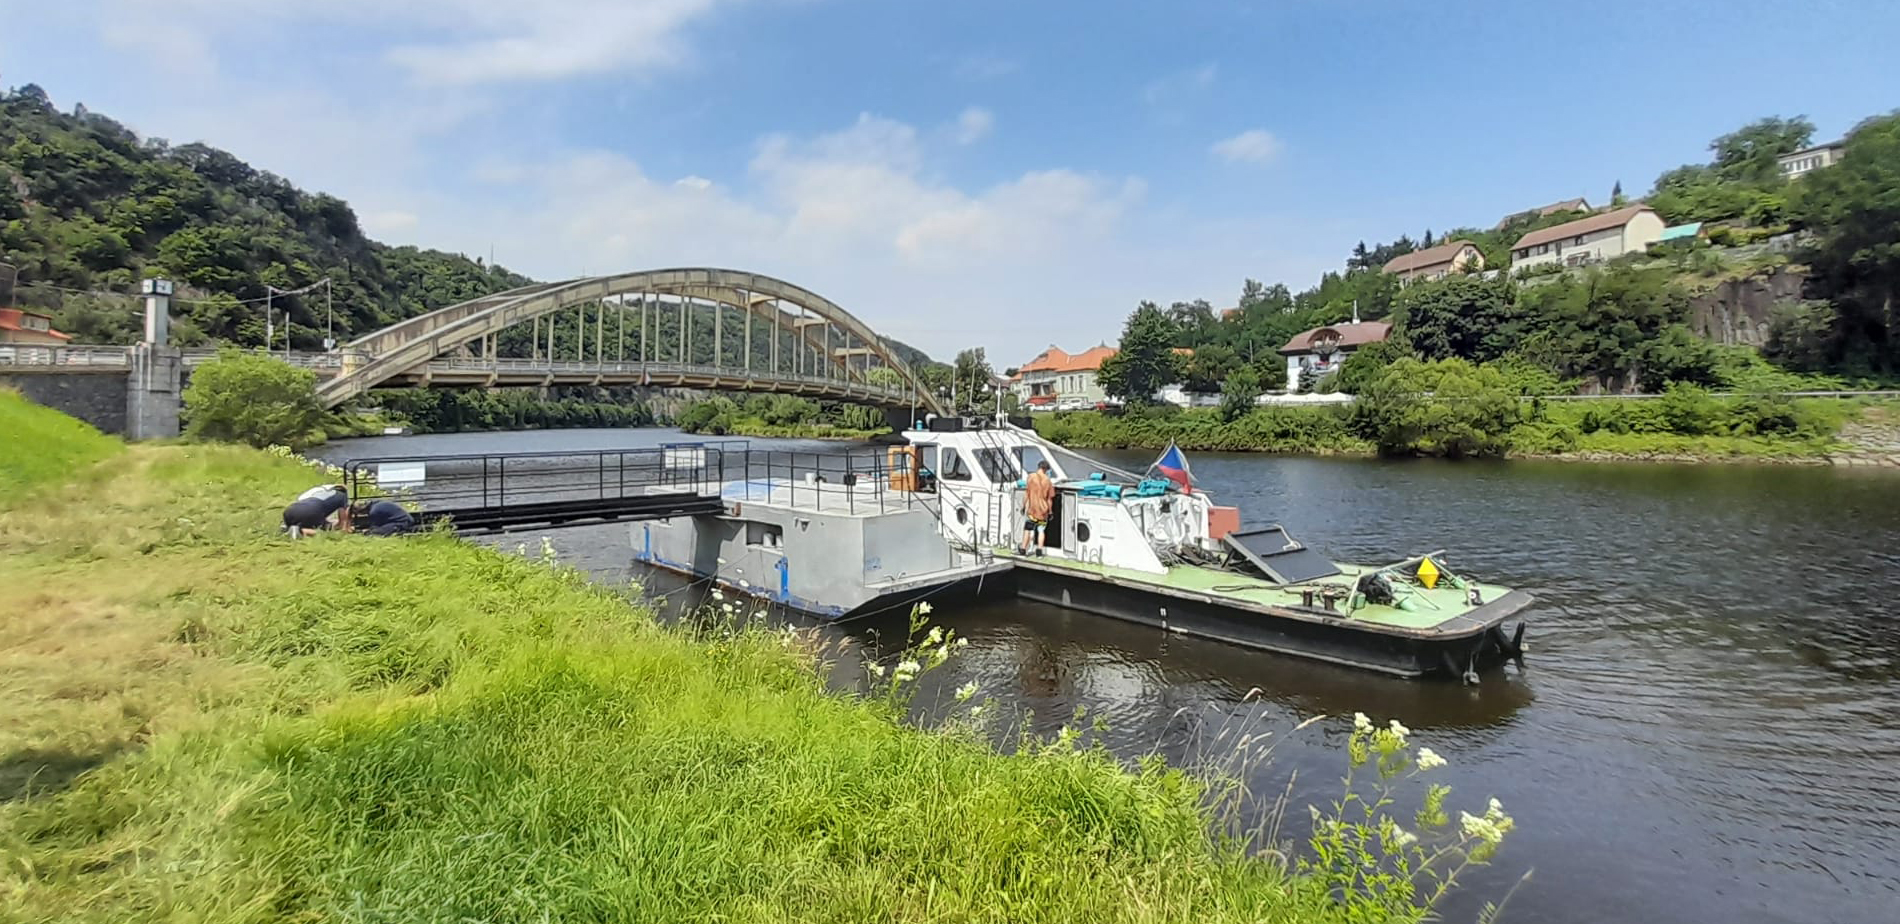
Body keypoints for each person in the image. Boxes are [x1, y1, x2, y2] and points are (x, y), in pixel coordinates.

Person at [1019, 460, 1056, 556]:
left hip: (1032, 510)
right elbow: (1049, 499)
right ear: (1045, 469)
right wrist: (1051, 512)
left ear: (1039, 467)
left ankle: (1023, 549)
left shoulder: (1031, 477)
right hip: (1043, 511)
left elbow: (1027, 493)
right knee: (1041, 530)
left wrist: (1023, 506)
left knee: (1028, 529)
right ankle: (1039, 551)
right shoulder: (1048, 481)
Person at [282, 486, 348, 538]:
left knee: (306, 520)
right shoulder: (342, 496)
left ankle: (287, 527)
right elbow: (342, 523)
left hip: (290, 510)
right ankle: (301, 531)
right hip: (311, 512)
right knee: (324, 531)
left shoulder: (319, 492)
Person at [350, 499, 417, 537]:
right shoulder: (376, 503)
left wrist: (362, 530)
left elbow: (374, 527)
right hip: (405, 519)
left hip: (401, 523)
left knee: (373, 533)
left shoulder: (374, 511)